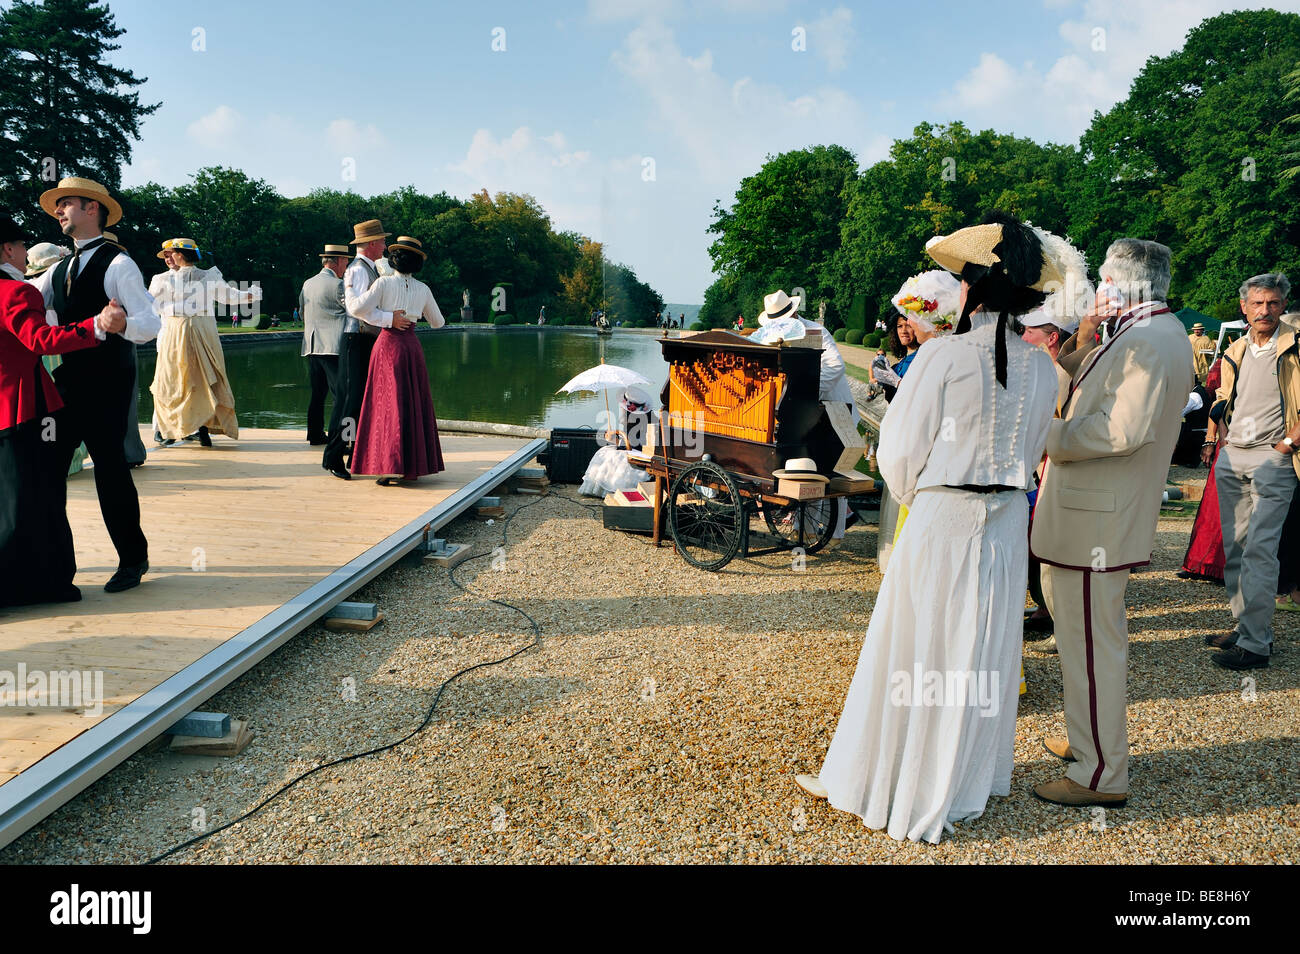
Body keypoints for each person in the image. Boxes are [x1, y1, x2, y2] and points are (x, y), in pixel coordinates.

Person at [794, 212, 1061, 842]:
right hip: (1002, 525)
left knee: (915, 645)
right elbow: (1031, 450)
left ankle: (883, 782)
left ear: (972, 291)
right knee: (977, 649)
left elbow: (898, 452)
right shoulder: (1044, 368)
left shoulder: (943, 355)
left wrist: (927, 495)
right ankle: (962, 781)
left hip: (945, 515)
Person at [1030, 238, 1193, 808]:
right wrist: (1089, 335)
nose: (1098, 286)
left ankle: (1100, 773)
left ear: (1123, 283)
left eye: (1103, 278)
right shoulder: (1142, 331)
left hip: (1097, 521)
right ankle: (1087, 741)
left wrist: (1042, 437)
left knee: (1093, 648)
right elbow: (1087, 385)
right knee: (1081, 643)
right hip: (1089, 515)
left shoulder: (1148, 341)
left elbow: (1119, 432)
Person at [30, 177, 160, 593]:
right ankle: (49, 563)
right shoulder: (57, 270)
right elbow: (28, 302)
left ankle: (132, 558)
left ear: (92, 209)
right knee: (47, 471)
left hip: (108, 383)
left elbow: (151, 324)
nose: (59, 211)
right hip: (67, 381)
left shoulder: (119, 264)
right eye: (58, 204)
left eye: (66, 203)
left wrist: (125, 323)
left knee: (110, 470)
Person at [0, 213, 109, 607]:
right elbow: (40, 340)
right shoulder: (15, 292)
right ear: (8, 249)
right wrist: (96, 326)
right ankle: (36, 584)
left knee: (14, 500)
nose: (26, 253)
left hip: (6, 409)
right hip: (24, 411)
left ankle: (36, 581)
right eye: (22, 246)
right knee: (36, 499)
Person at [1201, 273, 1300, 669]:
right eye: (1257, 303)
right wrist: (1220, 436)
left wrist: (1286, 447)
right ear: (1243, 307)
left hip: (1273, 460)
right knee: (1237, 551)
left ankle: (1256, 645)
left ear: (1283, 304)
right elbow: (1224, 397)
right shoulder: (1236, 348)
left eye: (1273, 303)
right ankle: (1246, 629)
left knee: (1260, 551)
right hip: (1233, 456)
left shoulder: (1295, 346)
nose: (1265, 310)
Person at [347, 236, 445, 484]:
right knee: (411, 404)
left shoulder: (382, 283)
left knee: (385, 406)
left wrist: (385, 315)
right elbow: (438, 322)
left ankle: (388, 466)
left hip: (387, 346)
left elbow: (357, 309)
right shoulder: (423, 289)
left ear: (394, 259)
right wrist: (415, 313)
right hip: (410, 347)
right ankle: (411, 464)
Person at [322, 219, 412, 480]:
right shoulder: (360, 271)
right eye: (383, 241)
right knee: (349, 401)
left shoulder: (368, 268)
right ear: (372, 243)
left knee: (355, 401)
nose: (385, 245)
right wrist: (389, 319)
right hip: (356, 340)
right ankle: (334, 456)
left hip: (362, 340)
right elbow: (358, 310)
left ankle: (348, 452)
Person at [148, 237, 255, 447]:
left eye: (171, 254)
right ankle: (163, 428)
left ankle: (192, 426)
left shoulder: (206, 277)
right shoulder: (161, 279)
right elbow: (150, 306)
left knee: (200, 380)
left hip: (199, 333)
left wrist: (247, 296)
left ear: (180, 255)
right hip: (172, 335)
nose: (168, 258)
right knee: (170, 382)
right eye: (166, 256)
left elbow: (228, 296)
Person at [1179, 357, 1227, 584]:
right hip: (1228, 440)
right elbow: (1219, 402)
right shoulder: (1233, 356)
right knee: (1214, 506)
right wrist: (1210, 440)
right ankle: (1204, 563)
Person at [300, 244, 350, 446]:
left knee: (318, 394)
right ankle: (345, 439)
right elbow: (353, 311)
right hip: (333, 347)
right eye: (346, 260)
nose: (347, 264)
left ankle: (315, 434)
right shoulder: (338, 285)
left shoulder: (308, 283)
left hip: (312, 345)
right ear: (336, 261)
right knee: (344, 396)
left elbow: (303, 313)